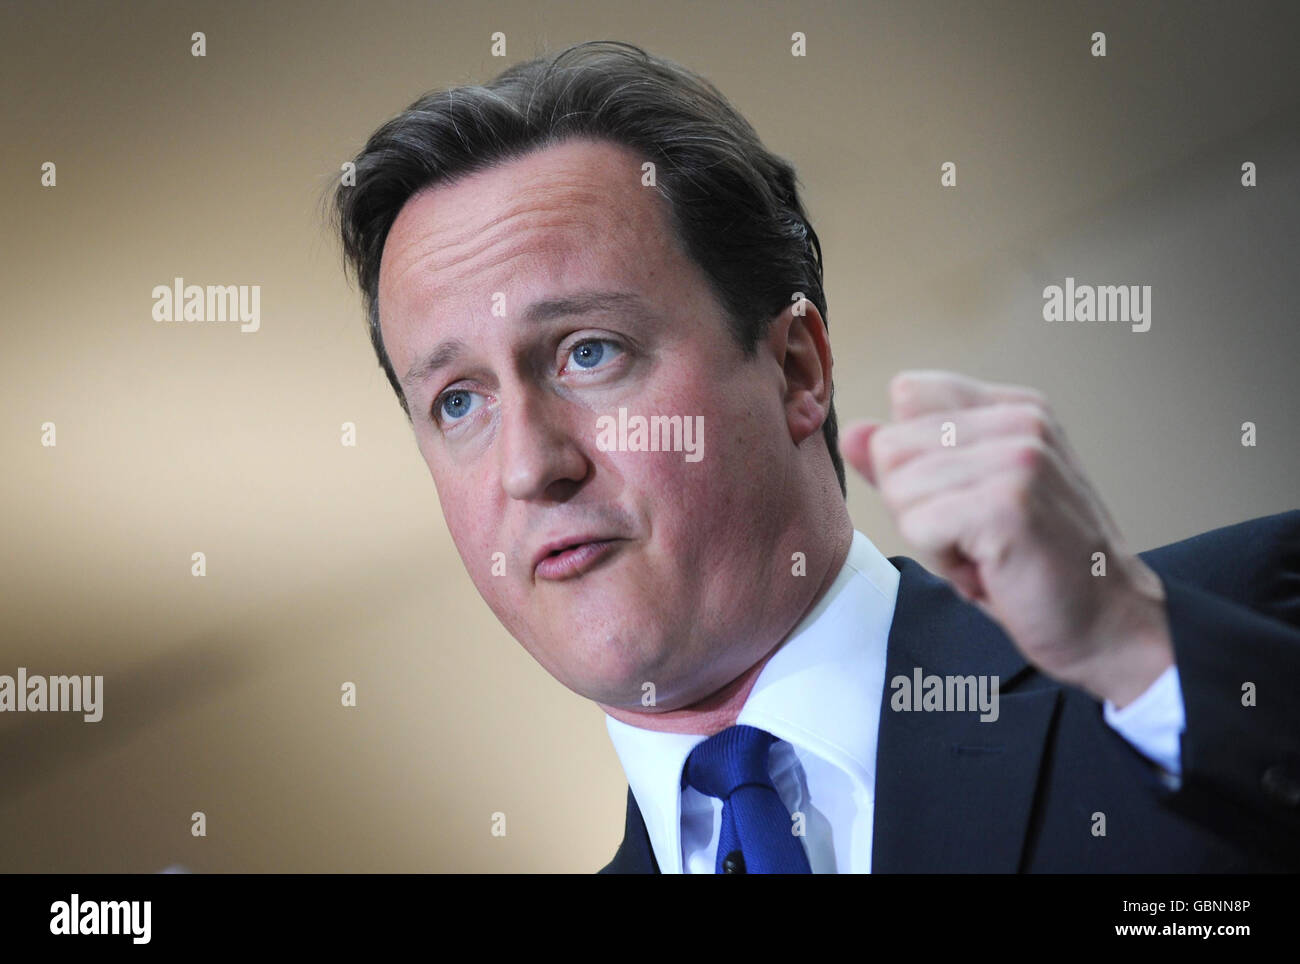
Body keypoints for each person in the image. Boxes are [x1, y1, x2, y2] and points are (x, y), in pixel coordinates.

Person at [330, 40, 1300, 873]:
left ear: (797, 367)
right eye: (458, 401)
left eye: (589, 352)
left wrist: (1129, 640)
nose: (529, 465)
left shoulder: (1218, 636)